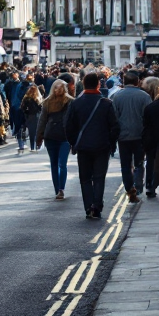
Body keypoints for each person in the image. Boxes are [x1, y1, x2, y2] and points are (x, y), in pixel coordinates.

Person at [65, 72, 121, 220]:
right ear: (98, 84)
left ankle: (89, 206)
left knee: (85, 178)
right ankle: (97, 206)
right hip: (102, 146)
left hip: (83, 147)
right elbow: (115, 127)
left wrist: (73, 142)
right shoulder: (106, 103)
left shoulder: (76, 103)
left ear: (83, 85)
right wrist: (111, 142)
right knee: (99, 177)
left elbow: (68, 126)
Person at [109, 70, 151, 203]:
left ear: (123, 82)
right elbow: (149, 116)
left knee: (126, 165)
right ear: (137, 82)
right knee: (139, 163)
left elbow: (114, 118)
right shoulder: (144, 96)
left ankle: (129, 188)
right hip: (140, 135)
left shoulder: (117, 96)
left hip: (123, 136)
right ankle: (138, 187)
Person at [36, 80, 73, 200]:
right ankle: (59, 189)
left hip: (55, 136)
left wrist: (39, 137)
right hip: (60, 136)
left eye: (60, 88)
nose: (58, 90)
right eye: (57, 88)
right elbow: (42, 121)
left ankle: (59, 189)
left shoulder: (49, 102)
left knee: (57, 164)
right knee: (60, 164)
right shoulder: (70, 101)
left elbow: (42, 121)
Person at [21, 85, 43, 153]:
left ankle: (32, 146)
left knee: (31, 132)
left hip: (29, 116)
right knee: (37, 131)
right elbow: (41, 108)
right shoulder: (38, 98)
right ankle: (37, 146)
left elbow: (22, 107)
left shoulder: (26, 98)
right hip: (37, 116)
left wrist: (26, 113)